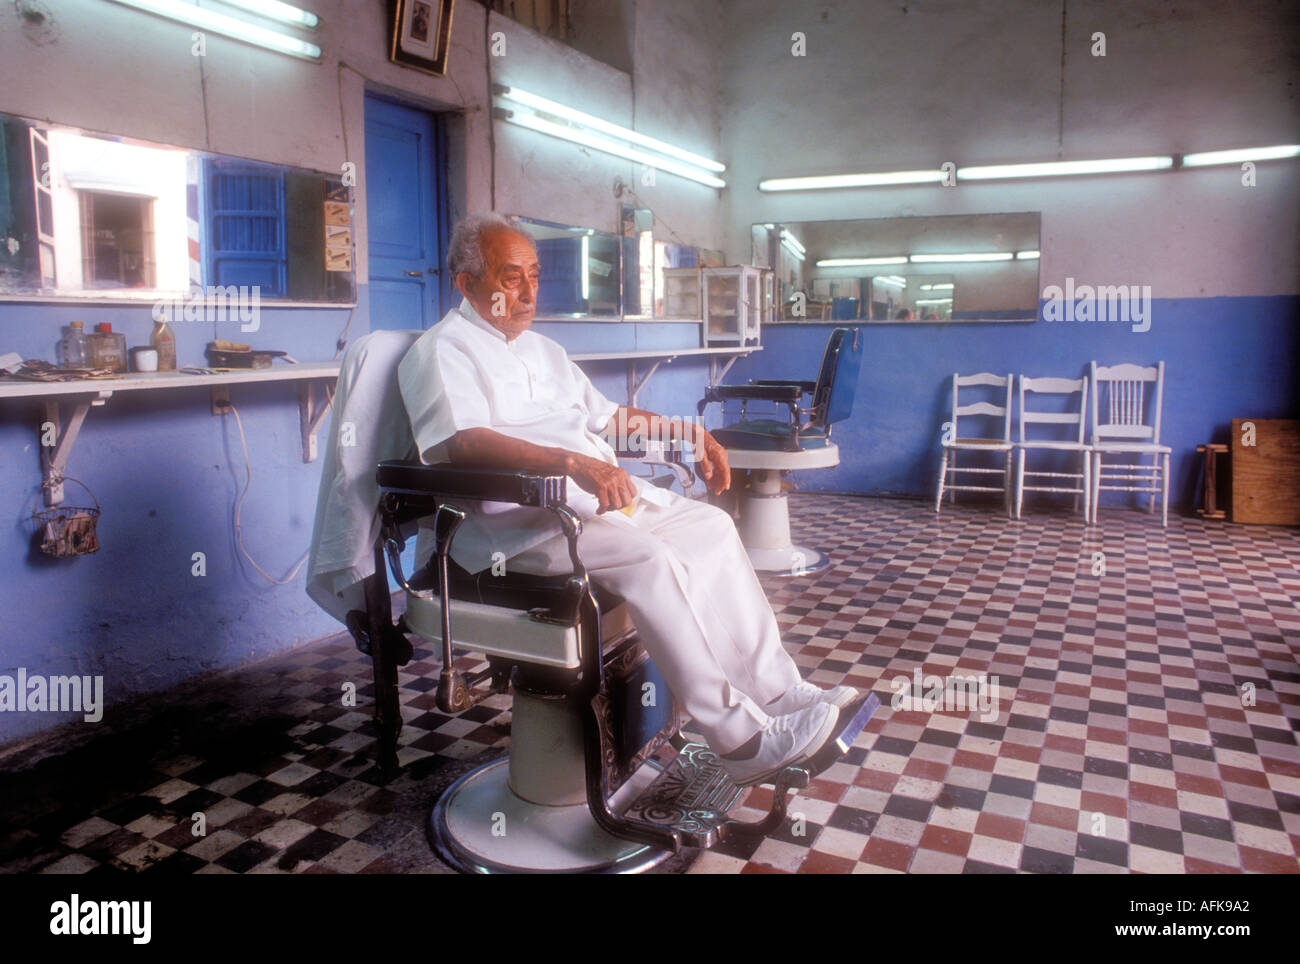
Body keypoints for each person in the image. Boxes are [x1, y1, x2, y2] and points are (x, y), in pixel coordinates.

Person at [397, 213, 857, 786]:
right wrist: (573, 462)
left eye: (534, 276)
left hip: (594, 504)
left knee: (710, 529)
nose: (528, 291)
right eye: (509, 277)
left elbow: (609, 418)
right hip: (517, 527)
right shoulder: (442, 350)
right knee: (652, 560)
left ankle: (779, 691)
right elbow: (462, 442)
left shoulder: (542, 350)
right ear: (465, 284)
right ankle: (739, 739)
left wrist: (688, 433)